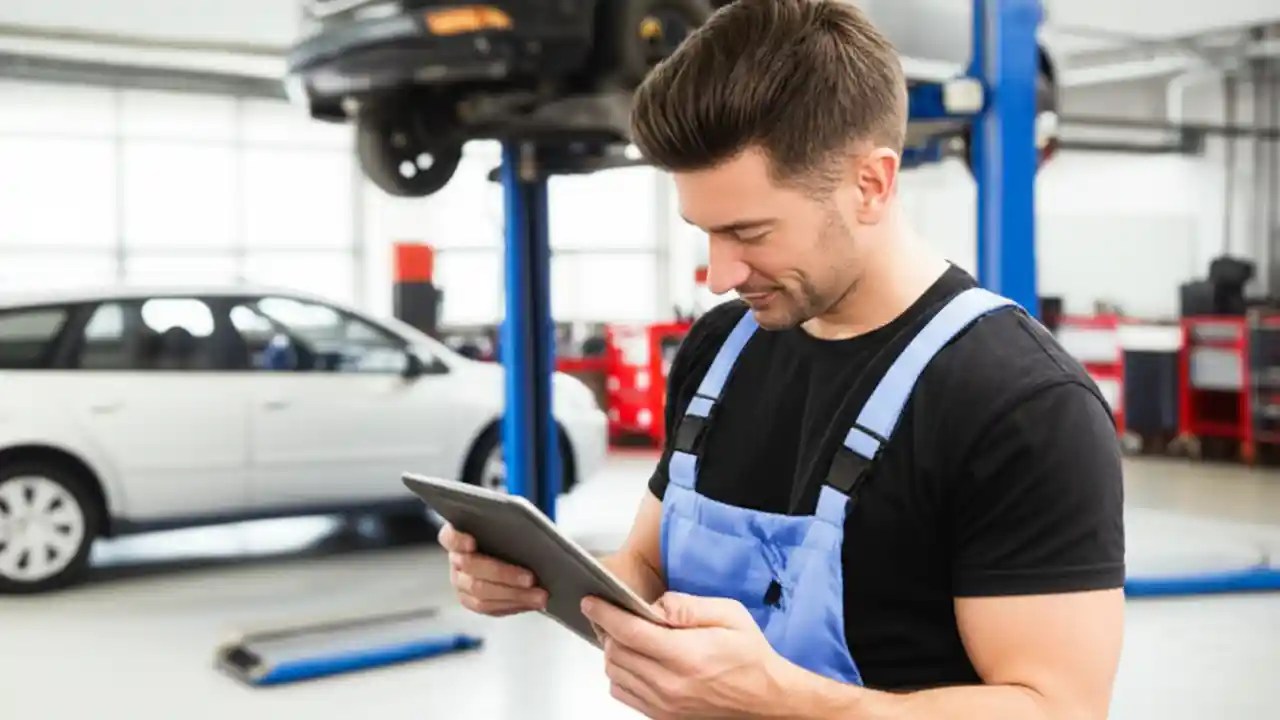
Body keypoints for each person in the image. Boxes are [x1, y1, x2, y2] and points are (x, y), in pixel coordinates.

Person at [438, 0, 1126, 717]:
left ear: (871, 183)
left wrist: (780, 699)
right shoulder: (720, 352)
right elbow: (645, 564)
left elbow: (1057, 708)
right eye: (704, 232)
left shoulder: (1021, 405)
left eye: (750, 231)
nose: (719, 273)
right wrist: (544, 578)